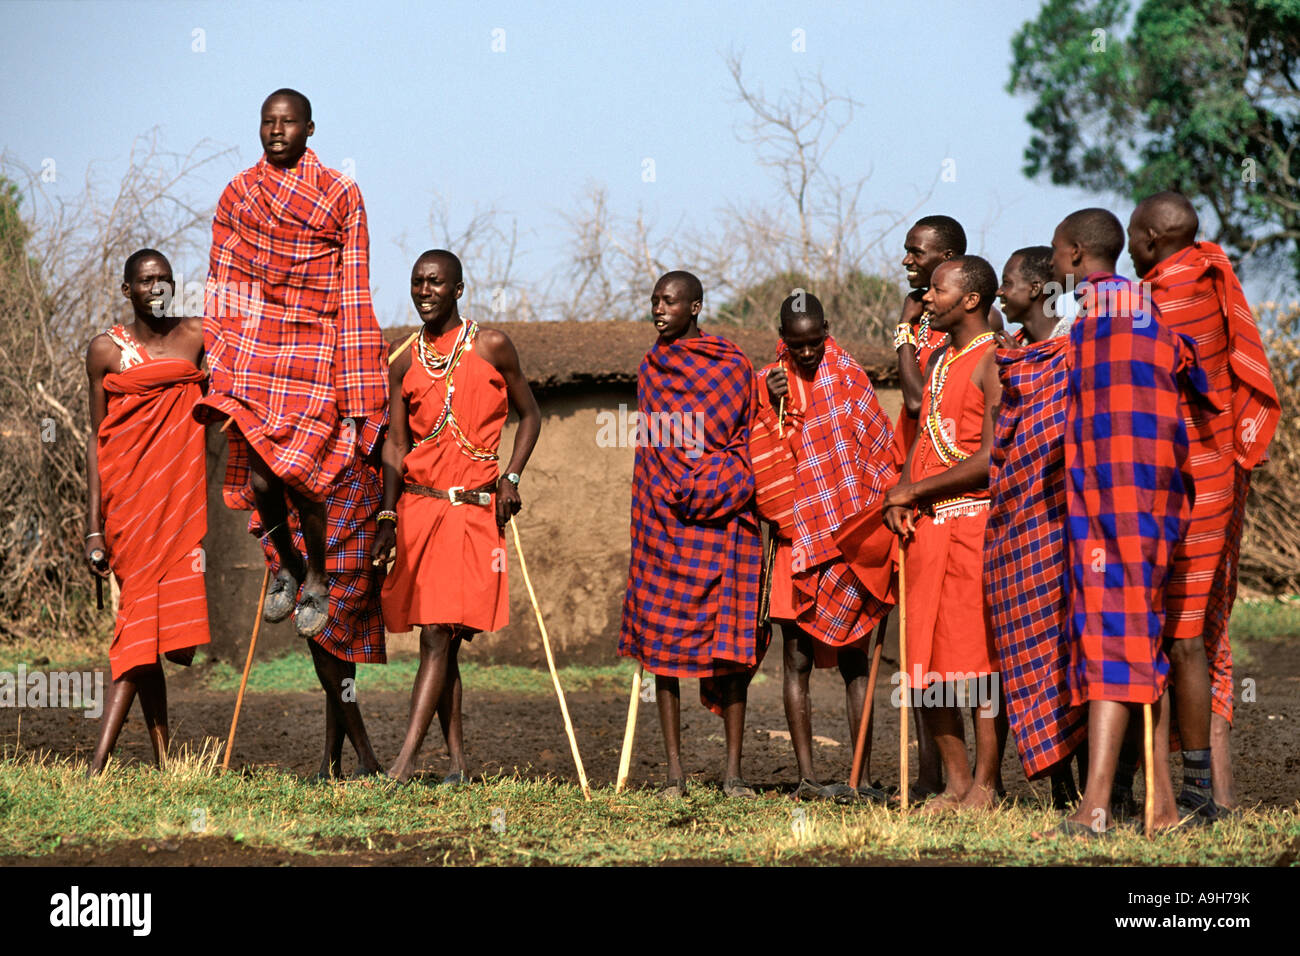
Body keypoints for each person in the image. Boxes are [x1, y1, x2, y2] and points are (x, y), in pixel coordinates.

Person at [196, 88, 388, 638]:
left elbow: (354, 288)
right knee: (261, 481)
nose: (276, 131)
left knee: (306, 482)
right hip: (258, 350)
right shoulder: (239, 193)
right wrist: (223, 351)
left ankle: (321, 579)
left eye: (287, 122)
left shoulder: (340, 193)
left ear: (309, 129)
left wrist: (357, 384)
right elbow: (223, 281)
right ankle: (288, 568)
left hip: (316, 350)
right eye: (267, 122)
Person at [1050, 208, 1217, 836]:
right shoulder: (1153, 316)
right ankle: (1161, 805)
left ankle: (1098, 807)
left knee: (1113, 646)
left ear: (1070, 257)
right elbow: (1196, 374)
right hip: (1154, 509)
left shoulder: (1086, 320)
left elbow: (1047, 389)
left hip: (1110, 509)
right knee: (1131, 642)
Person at [1128, 192, 1279, 816]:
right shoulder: (1210, 275)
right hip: (1221, 475)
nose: (1131, 248)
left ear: (1150, 239)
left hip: (1180, 481)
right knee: (1203, 628)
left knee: (1174, 633)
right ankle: (1212, 788)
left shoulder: (1167, 297)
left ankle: (1183, 791)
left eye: (1135, 236)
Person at [373, 250, 541, 784]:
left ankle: (402, 764)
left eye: (436, 283)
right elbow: (396, 446)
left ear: (458, 289)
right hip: (418, 508)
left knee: (439, 636)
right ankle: (459, 764)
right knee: (439, 637)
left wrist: (511, 477)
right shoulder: (402, 360)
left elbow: (531, 414)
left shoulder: (492, 346)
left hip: (471, 511)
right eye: (418, 282)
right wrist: (385, 514)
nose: (425, 291)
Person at [618, 271, 764, 799]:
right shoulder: (653, 366)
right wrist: (669, 491)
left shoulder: (730, 364)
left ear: (696, 306)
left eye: (670, 301)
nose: (659, 309)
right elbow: (653, 451)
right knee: (662, 650)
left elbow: (748, 430)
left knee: (731, 650)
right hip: (664, 523)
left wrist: (715, 477)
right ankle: (674, 774)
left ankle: (733, 773)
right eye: (655, 300)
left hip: (723, 517)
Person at [753, 293, 895, 801]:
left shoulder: (851, 376)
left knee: (857, 657)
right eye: (798, 344)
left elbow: (879, 449)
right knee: (796, 658)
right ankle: (809, 777)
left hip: (848, 537)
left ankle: (859, 775)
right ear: (783, 338)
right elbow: (760, 452)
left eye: (815, 341)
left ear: (828, 330)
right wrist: (770, 406)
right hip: (796, 538)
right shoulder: (770, 382)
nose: (808, 352)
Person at [883, 255, 1007, 812]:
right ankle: (956, 782)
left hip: (973, 525)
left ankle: (986, 784)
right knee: (924, 662)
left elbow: (990, 455)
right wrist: (902, 492)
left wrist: (916, 491)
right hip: (927, 529)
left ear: (971, 299)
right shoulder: (939, 364)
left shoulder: (994, 360)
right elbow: (921, 443)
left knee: (976, 663)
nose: (927, 297)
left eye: (938, 288)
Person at [84, 249, 208, 775]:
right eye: (145, 281)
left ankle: (160, 760)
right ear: (126, 289)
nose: (155, 288)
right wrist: (93, 529)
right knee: (139, 626)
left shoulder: (198, 339)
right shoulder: (105, 351)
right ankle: (98, 763)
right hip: (129, 508)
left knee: (153, 631)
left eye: (164, 280)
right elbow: (97, 439)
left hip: (178, 510)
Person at [986, 249, 1088, 810]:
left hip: (1066, 526)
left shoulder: (1075, 353)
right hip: (1020, 527)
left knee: (1071, 650)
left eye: (1008, 284)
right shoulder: (1019, 358)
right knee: (1031, 649)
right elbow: (1009, 444)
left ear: (1040, 291)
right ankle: (1060, 787)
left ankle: (1108, 790)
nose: (1002, 295)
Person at [890, 214, 969, 801]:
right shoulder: (931, 317)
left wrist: (904, 335)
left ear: (946, 256)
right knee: (921, 641)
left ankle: (966, 778)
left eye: (917, 253)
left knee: (957, 648)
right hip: (916, 481)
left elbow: (917, 398)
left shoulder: (957, 325)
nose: (906, 260)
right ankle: (929, 773)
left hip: (952, 492)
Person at [995, 246, 1060, 345]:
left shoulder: (1076, 346)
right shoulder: (1011, 347)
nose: (999, 292)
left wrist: (1020, 360)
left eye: (1006, 283)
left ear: (1034, 289)